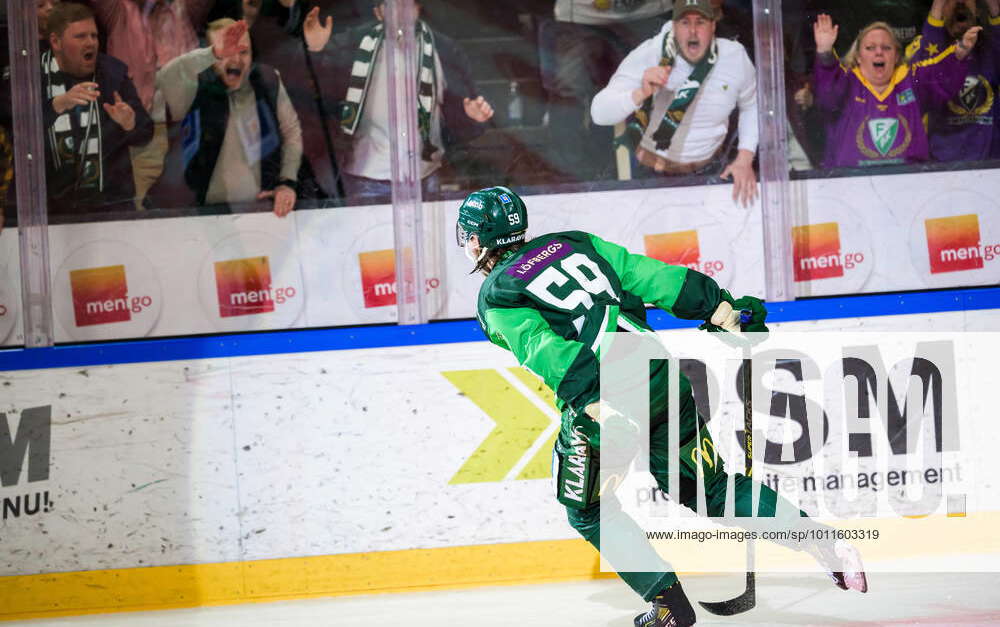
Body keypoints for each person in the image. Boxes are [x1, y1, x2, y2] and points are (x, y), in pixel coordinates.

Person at [455, 186, 868, 626]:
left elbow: (544, 350)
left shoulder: (497, 296)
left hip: (606, 397)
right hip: (659, 374)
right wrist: (717, 306)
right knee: (710, 489)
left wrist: (594, 403)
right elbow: (652, 276)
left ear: (478, 240)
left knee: (588, 509)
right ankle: (824, 542)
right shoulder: (574, 242)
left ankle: (669, 603)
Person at [303, 0, 494, 204]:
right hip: (366, 176)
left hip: (426, 173)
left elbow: (462, 113)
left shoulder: (444, 49)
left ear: (418, 8)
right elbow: (317, 94)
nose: (400, 12)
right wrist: (315, 51)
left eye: (406, 4)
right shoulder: (352, 44)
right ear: (378, 12)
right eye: (391, 5)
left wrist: (472, 117)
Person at [590, 0, 758, 207]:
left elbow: (752, 105)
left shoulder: (734, 56)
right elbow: (599, 113)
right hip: (651, 174)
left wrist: (744, 158)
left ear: (713, 26)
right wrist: (640, 94)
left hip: (713, 169)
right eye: (685, 22)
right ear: (674, 26)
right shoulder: (650, 54)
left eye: (700, 22)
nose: (693, 31)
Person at [153, 18, 302, 216]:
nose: (235, 60)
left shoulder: (267, 80)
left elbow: (291, 133)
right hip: (207, 212)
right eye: (226, 52)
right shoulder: (194, 86)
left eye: (243, 52)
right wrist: (211, 54)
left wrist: (287, 182)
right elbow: (163, 78)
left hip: (263, 207)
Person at [812, 14, 981, 169]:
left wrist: (961, 51)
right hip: (851, 183)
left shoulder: (911, 80)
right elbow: (827, 95)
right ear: (858, 57)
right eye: (870, 48)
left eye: (886, 48)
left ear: (896, 56)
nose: (879, 52)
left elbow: (941, 74)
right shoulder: (846, 82)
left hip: (908, 181)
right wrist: (825, 53)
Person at [33, 2, 153, 215]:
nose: (90, 42)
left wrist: (130, 124)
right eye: (80, 36)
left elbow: (145, 133)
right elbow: (14, 127)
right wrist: (56, 105)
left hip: (111, 206)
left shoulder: (113, 73)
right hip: (50, 210)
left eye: (94, 36)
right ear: (56, 42)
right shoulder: (32, 75)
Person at [538, 0, 670, 181]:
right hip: (578, 16)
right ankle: (570, 181)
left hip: (649, 12)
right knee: (567, 96)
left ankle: (653, 176)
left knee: (657, 90)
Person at [910, 0, 1000, 163]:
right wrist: (937, 8)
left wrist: (994, 8)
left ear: (978, 10)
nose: (959, 2)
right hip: (941, 167)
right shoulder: (925, 45)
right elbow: (923, 83)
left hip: (989, 166)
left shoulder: (990, 48)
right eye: (949, 0)